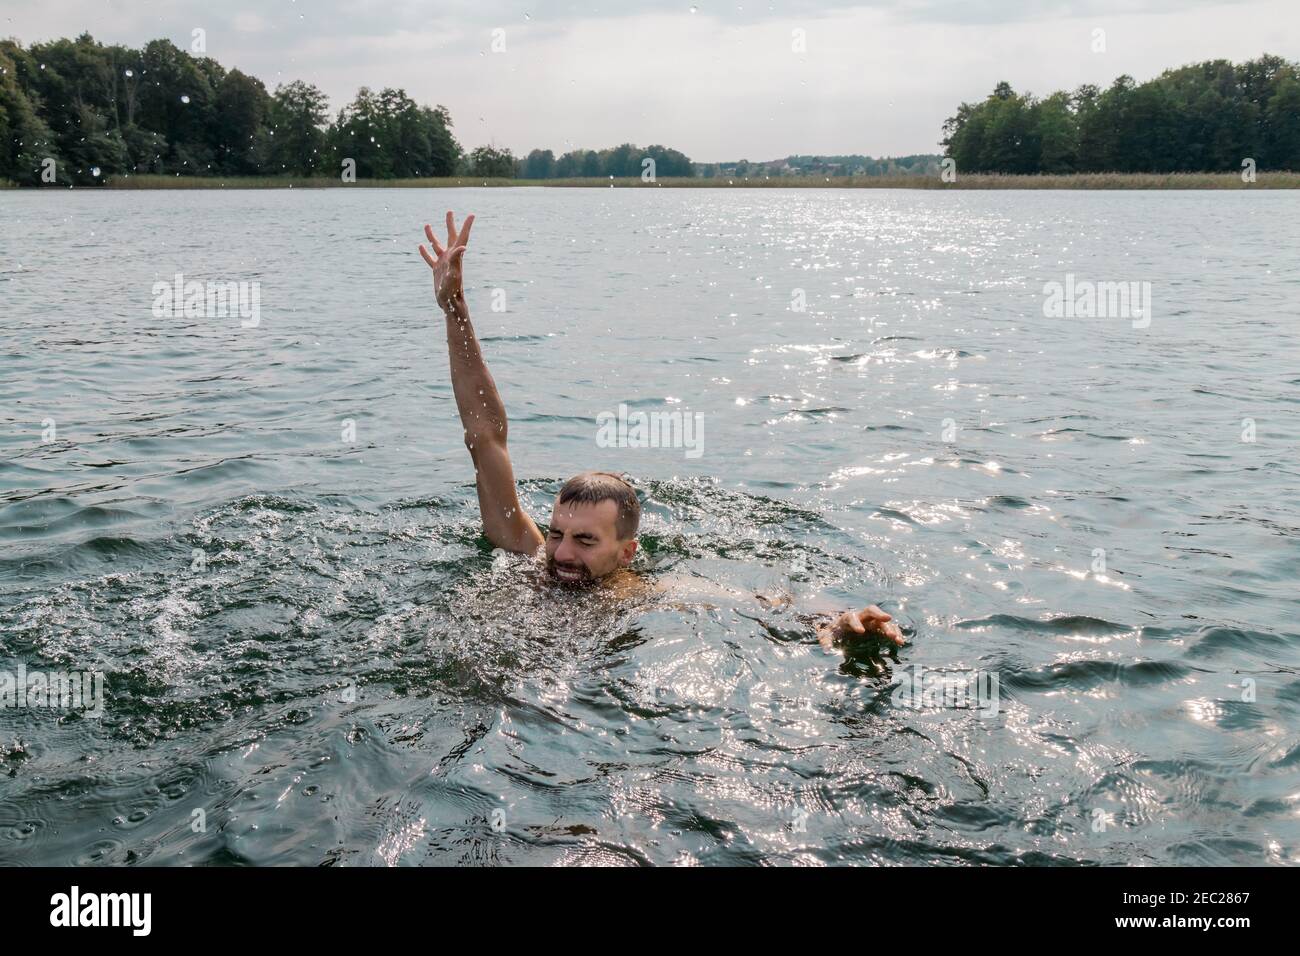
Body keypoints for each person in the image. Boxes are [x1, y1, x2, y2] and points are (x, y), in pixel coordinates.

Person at [418, 210, 904, 652]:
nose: (562, 553)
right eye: (557, 533)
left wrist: (839, 622)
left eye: (586, 541)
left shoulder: (651, 596)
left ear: (628, 553)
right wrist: (455, 308)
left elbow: (763, 607)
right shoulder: (526, 550)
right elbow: (484, 437)